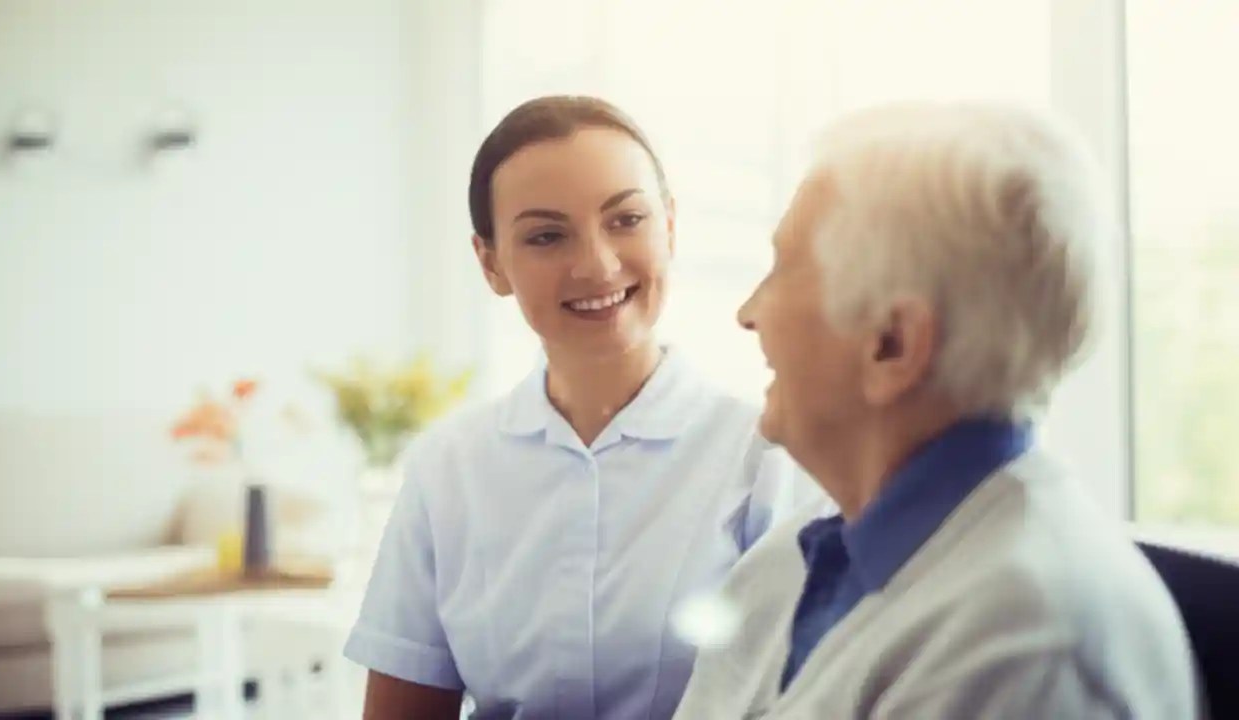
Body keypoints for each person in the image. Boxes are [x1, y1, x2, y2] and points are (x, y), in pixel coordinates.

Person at [673, 102, 1200, 719]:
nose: (748, 313)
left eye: (783, 268)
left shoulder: (1024, 645)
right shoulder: (794, 556)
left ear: (891, 345)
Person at [344, 95, 827, 719]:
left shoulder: (767, 455)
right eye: (546, 236)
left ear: (670, 227)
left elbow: (809, 696)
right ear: (491, 263)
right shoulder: (447, 469)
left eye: (626, 220)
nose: (597, 264)